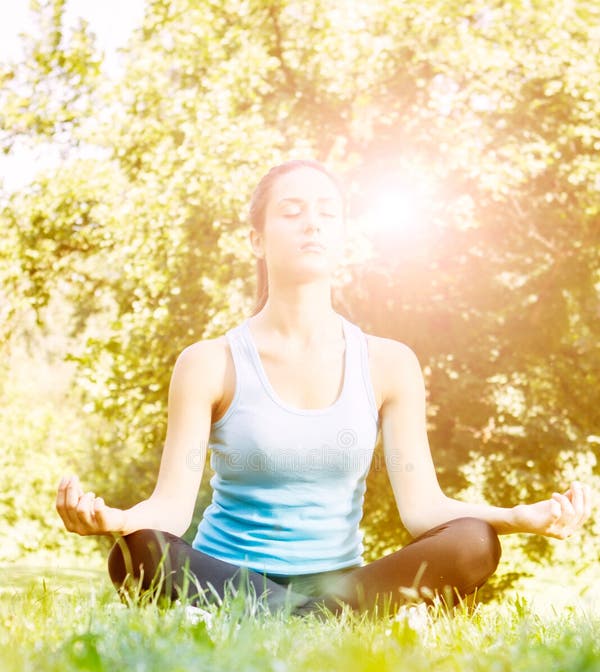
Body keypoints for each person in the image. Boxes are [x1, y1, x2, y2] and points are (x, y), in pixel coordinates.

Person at [55, 159, 592, 618]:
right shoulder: (208, 363)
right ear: (257, 240)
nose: (312, 223)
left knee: (474, 542)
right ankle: (321, 623)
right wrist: (117, 521)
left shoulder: (389, 363)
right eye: (292, 212)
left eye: (326, 213)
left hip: (342, 586)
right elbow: (170, 512)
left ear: (342, 239)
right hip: (229, 576)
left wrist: (515, 519)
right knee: (136, 554)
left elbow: (424, 509)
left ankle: (274, 622)